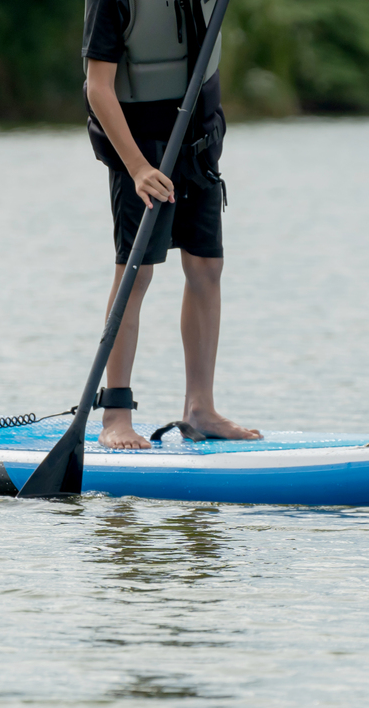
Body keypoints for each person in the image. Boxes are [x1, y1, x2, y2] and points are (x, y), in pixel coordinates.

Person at [82, 0, 260, 449]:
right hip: (140, 147)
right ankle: (115, 418)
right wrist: (139, 167)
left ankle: (200, 408)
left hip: (199, 140)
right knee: (135, 274)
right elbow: (98, 87)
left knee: (205, 269)